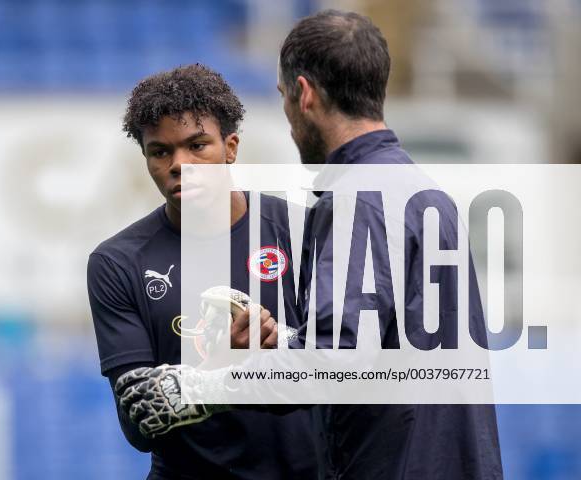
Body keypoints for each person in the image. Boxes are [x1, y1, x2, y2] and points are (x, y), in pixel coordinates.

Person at [116, 10, 504, 479]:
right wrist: (288, 341)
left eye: (282, 98)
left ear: (303, 94)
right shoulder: (420, 190)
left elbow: (333, 361)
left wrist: (199, 387)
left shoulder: (357, 199)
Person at [87, 64, 318, 479]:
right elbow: (138, 424)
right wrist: (218, 366)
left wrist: (280, 345)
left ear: (230, 147)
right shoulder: (118, 263)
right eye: (161, 152)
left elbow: (349, 365)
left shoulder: (306, 232)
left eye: (197, 146)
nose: (180, 164)